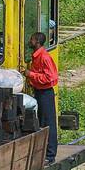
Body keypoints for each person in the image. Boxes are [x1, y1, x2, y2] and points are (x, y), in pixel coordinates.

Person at [26, 32, 59, 163]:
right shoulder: (35, 56)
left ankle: (50, 155)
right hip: (39, 92)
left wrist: (31, 75)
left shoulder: (44, 57)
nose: (30, 41)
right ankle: (44, 152)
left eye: (32, 39)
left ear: (37, 42)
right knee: (42, 121)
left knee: (48, 123)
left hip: (45, 93)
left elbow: (51, 78)